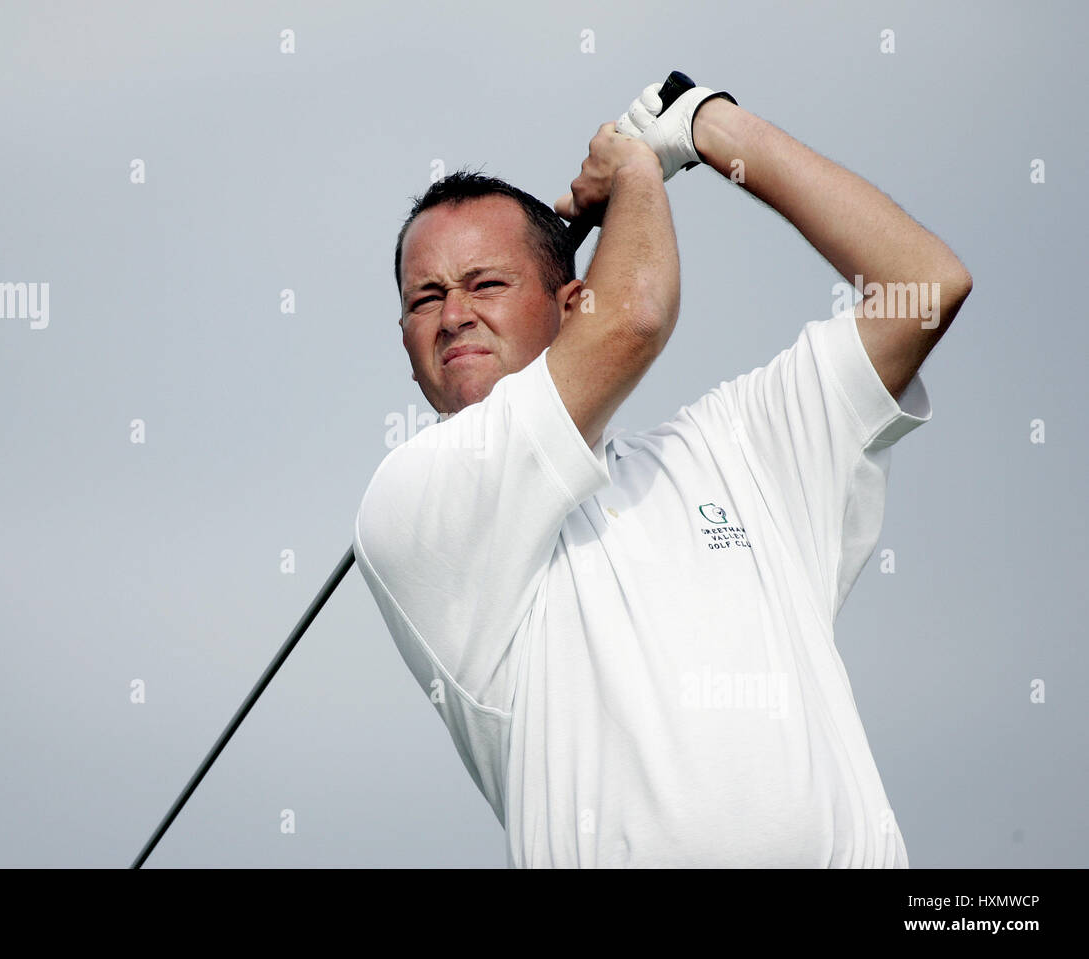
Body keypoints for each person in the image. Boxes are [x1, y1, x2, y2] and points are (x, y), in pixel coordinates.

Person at [352, 78, 972, 868]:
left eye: (487, 283)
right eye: (424, 298)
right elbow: (637, 314)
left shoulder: (732, 447)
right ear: (406, 347)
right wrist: (639, 167)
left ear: (571, 303)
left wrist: (709, 124)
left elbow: (925, 286)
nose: (452, 316)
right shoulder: (410, 501)